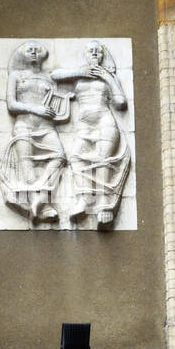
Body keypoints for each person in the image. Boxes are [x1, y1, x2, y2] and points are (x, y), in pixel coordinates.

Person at [52, 41, 130, 227]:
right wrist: (82, 72)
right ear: (85, 55)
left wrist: (108, 78)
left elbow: (120, 102)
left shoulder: (108, 76)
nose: (95, 53)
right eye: (91, 50)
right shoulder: (79, 76)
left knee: (102, 160)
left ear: (103, 56)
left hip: (105, 121)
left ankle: (104, 205)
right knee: (76, 157)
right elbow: (55, 75)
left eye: (99, 51)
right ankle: (84, 199)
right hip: (84, 124)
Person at [0, 42, 68, 224]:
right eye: (29, 50)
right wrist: (36, 109)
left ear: (43, 55)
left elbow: (54, 102)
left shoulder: (49, 78)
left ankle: (40, 197)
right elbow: (12, 105)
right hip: (24, 126)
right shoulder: (16, 75)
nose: (34, 52)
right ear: (24, 55)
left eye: (37, 49)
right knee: (26, 165)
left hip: (46, 127)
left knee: (59, 157)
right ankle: (41, 206)